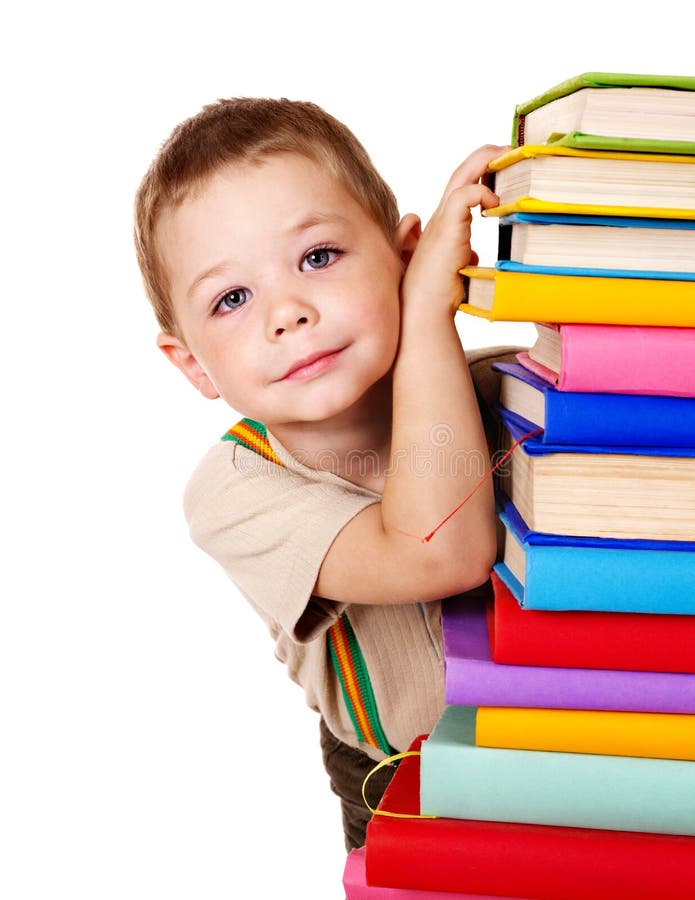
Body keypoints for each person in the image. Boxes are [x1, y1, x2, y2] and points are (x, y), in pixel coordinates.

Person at [134, 97, 518, 851]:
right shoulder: (232, 492)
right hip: (399, 781)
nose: (287, 311)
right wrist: (427, 318)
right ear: (192, 365)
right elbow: (438, 551)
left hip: (577, 745)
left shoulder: (517, 393)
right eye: (232, 299)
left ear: (407, 254)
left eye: (318, 257)